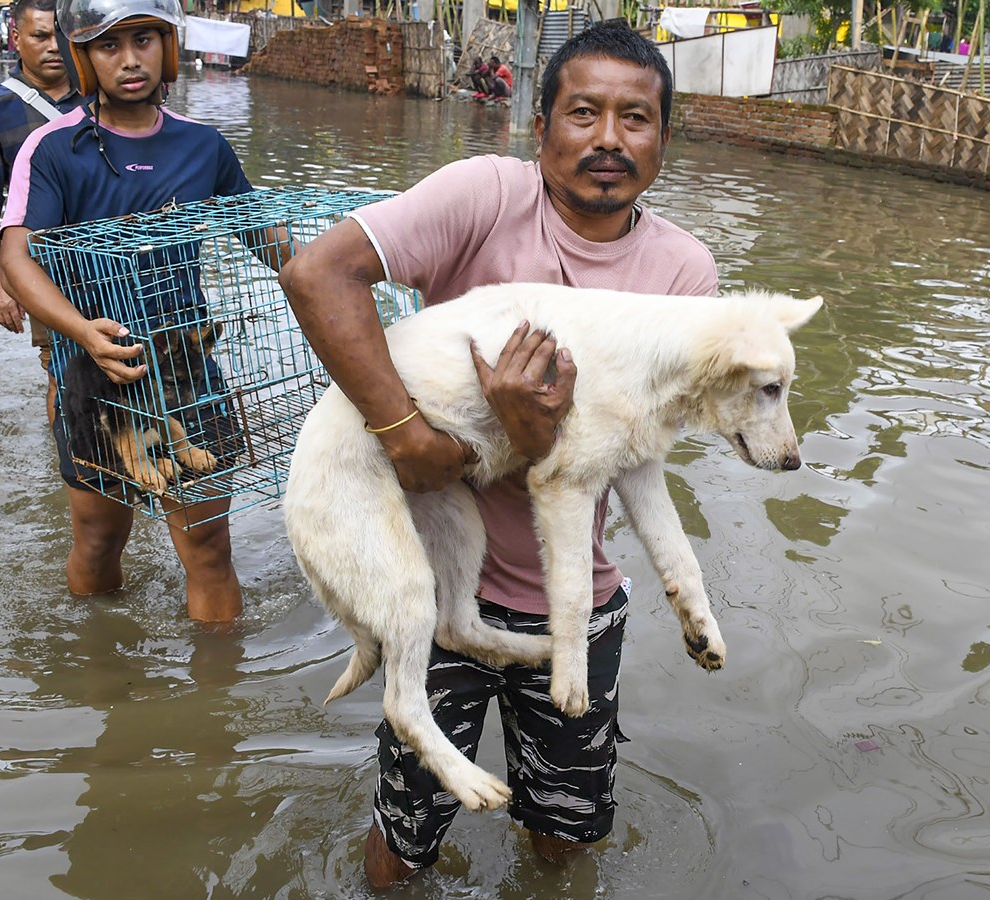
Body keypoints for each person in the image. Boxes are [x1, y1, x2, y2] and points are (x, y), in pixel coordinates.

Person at [278, 19, 717, 889]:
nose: (607, 139)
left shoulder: (684, 275)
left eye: (636, 118)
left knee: (565, 835)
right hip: (439, 579)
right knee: (402, 842)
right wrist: (407, 438)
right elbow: (316, 274)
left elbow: (631, 457)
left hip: (574, 606)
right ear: (540, 124)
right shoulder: (484, 194)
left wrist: (533, 434)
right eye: (582, 112)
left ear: (664, 140)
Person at [0, 0, 288, 624]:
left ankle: (214, 700)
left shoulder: (203, 146)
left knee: (210, 550)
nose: (129, 60)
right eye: (109, 45)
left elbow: (267, 239)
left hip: (187, 365)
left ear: (168, 47)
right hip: (95, 369)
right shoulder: (53, 150)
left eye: (143, 40)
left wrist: (359, 268)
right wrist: (81, 332)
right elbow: (17, 258)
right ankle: (102, 672)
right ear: (84, 57)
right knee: (100, 538)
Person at [0, 0, 85, 423]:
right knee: (65, 372)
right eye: (40, 36)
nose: (54, 46)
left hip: (109, 258)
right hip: (42, 268)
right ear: (16, 38)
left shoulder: (98, 93)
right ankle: (72, 472)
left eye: (60, 35)